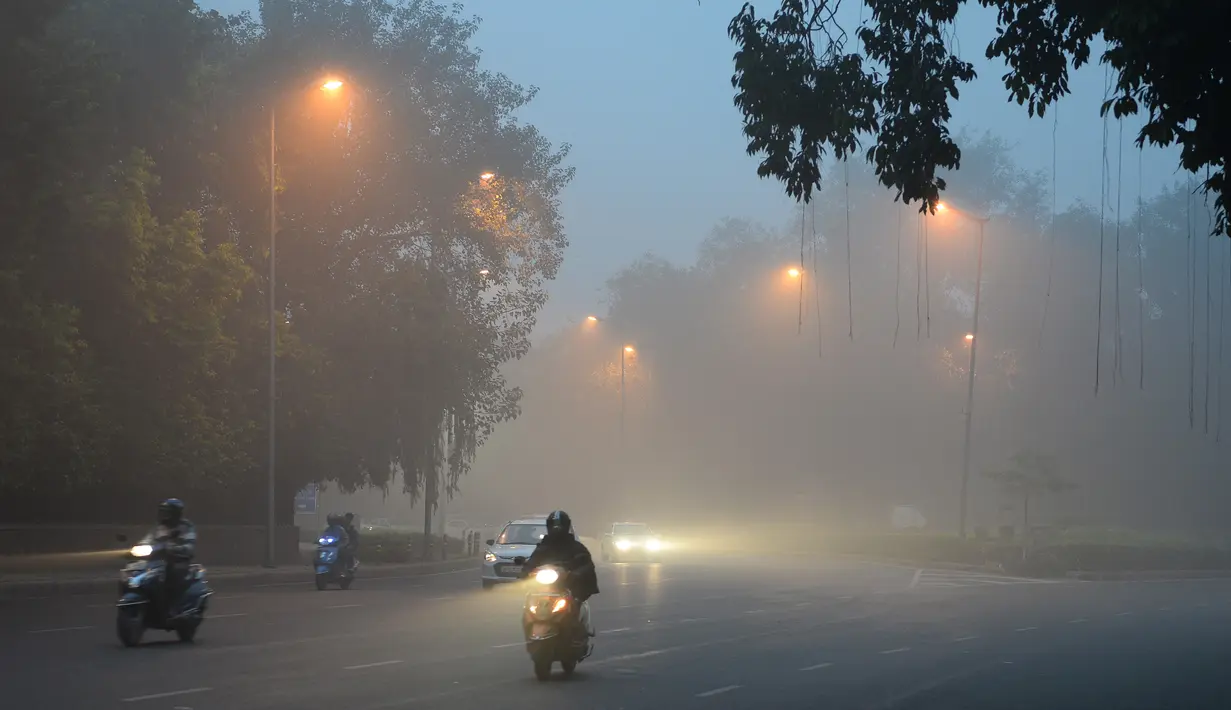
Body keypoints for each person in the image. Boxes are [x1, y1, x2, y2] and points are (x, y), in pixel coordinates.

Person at [523, 510, 599, 643]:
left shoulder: (576, 547)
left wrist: (575, 573)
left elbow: (587, 565)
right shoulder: (543, 547)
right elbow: (532, 561)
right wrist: (525, 571)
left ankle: (577, 633)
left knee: (575, 602)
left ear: (566, 526)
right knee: (527, 604)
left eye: (560, 525)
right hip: (544, 588)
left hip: (569, 585)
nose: (556, 529)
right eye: (553, 525)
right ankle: (529, 631)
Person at [152, 498, 196, 618]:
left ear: (176, 512)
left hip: (179, 560)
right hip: (160, 560)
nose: (165, 514)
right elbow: (150, 539)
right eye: (164, 511)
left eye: (168, 511)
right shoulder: (161, 526)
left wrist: (177, 548)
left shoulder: (186, 526)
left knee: (173, 574)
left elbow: (190, 544)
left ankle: (174, 607)